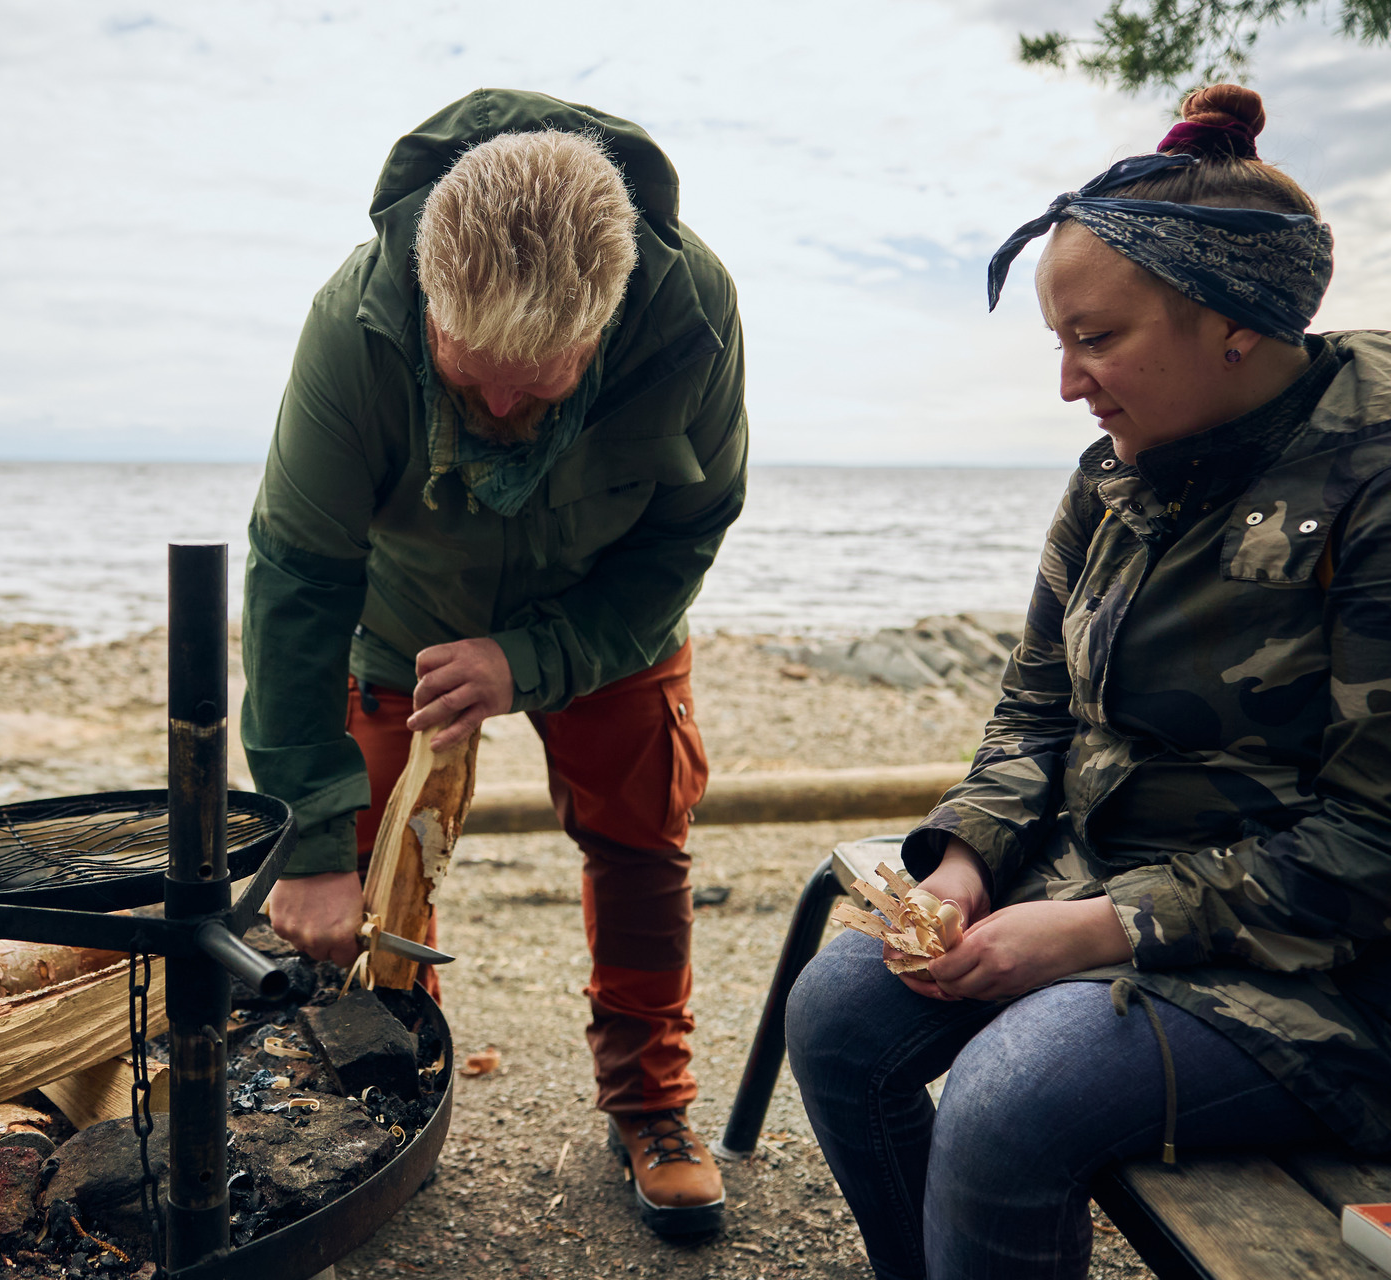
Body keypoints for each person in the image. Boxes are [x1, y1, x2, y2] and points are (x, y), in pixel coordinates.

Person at [784, 83, 1391, 1279]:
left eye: (1096, 339)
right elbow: (1035, 709)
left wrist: (1093, 931)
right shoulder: (1112, 475)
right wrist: (963, 861)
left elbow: (1371, 843)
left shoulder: (1372, 486)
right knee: (839, 1010)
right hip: (1097, 877)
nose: (1069, 383)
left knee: (1011, 1096)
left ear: (1237, 322)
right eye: (1059, 342)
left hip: (1324, 967)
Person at [241, 89, 747, 1236]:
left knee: (643, 839)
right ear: (430, 298)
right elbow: (294, 576)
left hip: (608, 614)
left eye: (544, 380)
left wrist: (537, 658)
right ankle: (381, 1091)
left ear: (607, 321)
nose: (504, 405)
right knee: (358, 872)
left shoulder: (691, 315)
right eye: (472, 379)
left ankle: (652, 1104)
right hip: (402, 618)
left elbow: (690, 525)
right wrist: (311, 845)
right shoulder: (355, 325)